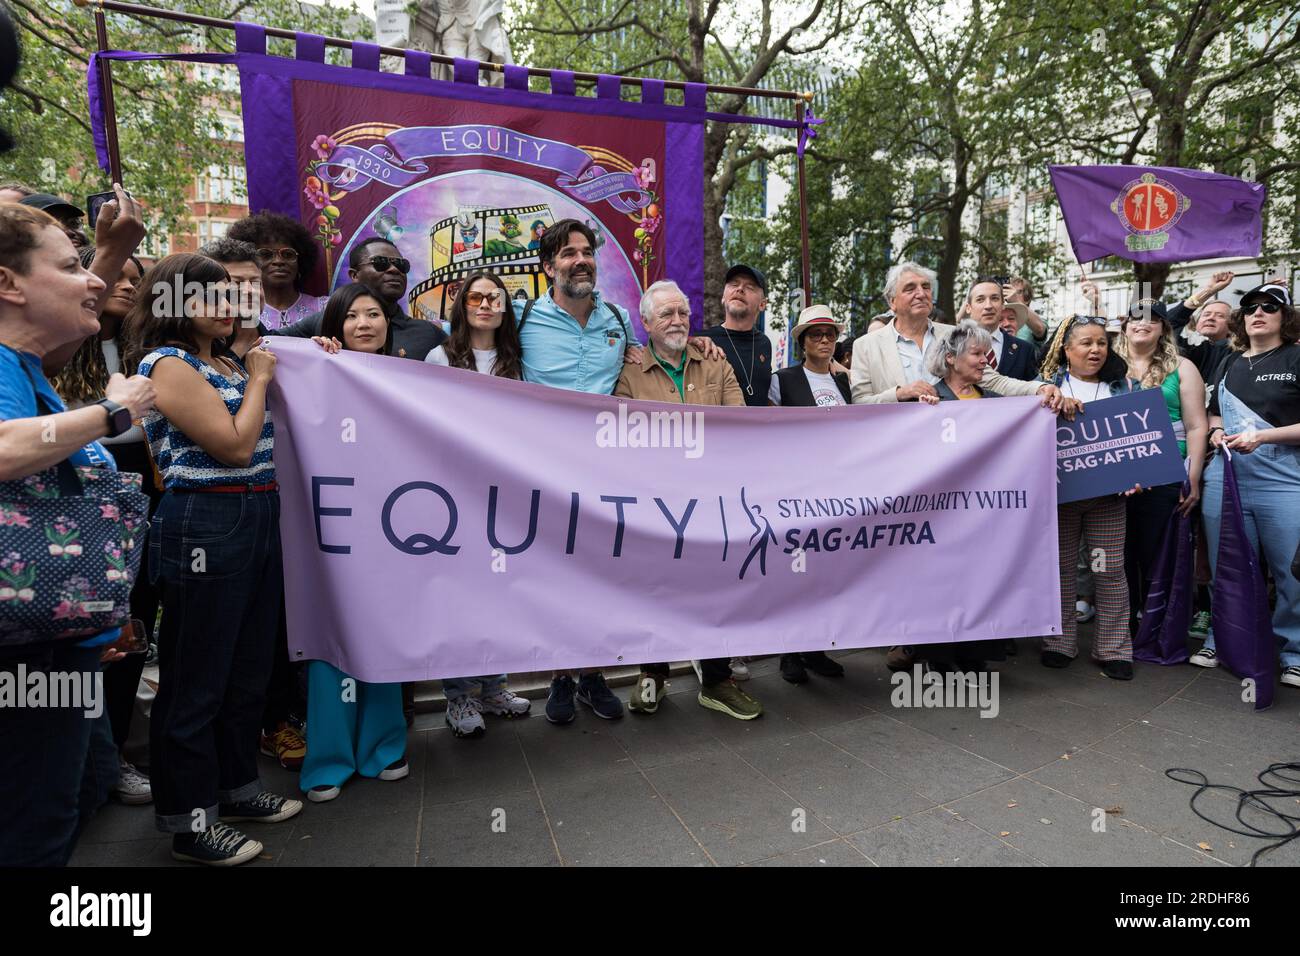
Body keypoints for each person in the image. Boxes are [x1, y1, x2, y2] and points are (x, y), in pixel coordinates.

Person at [123, 254, 302, 865]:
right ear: (171, 303)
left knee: (248, 666)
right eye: (211, 297)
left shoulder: (225, 360)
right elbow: (233, 444)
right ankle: (191, 823)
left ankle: (237, 787)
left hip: (256, 513)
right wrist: (257, 380)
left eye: (232, 295)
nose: (229, 307)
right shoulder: (166, 365)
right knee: (196, 678)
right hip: (206, 518)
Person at [0, 203, 156, 865]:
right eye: (71, 267)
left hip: (53, 641)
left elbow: (68, 327)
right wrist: (114, 410)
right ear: (8, 284)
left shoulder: (25, 365)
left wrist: (107, 253)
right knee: (35, 826)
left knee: (77, 795)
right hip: (25, 656)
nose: (94, 280)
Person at [615, 281, 762, 719]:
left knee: (715, 587)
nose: (677, 321)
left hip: (712, 499)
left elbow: (739, 427)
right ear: (645, 324)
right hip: (656, 504)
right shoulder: (630, 373)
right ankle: (654, 674)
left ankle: (716, 679)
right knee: (654, 587)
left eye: (682, 313)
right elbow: (622, 436)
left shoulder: (716, 365)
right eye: (666, 315)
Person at [299, 283, 417, 797]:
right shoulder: (312, 368)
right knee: (329, 636)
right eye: (352, 316)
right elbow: (258, 354)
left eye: (374, 314)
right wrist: (309, 355)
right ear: (335, 325)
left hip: (391, 523)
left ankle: (384, 747)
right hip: (329, 526)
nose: (364, 323)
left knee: (384, 631)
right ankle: (328, 758)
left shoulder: (412, 380)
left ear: (389, 324)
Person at [50, 246, 157, 807]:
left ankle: (115, 748)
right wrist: (116, 412)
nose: (125, 286)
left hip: (142, 499)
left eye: (137, 280)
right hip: (84, 507)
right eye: (116, 275)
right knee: (89, 637)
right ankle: (101, 761)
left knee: (130, 630)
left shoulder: (144, 351)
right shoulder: (60, 352)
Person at [517, 218, 633, 723]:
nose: (580, 260)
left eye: (587, 251)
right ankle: (560, 677)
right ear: (548, 266)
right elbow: (459, 356)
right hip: (542, 469)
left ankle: (594, 675)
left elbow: (651, 367)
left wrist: (703, 346)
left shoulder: (620, 319)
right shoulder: (519, 319)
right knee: (554, 575)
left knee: (601, 575)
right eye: (567, 253)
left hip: (606, 472)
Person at [423, 272, 533, 736]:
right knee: (460, 593)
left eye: (495, 297)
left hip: (505, 492)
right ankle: (459, 697)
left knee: (498, 590)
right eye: (476, 297)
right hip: (457, 491)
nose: (486, 304)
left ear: (506, 307)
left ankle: (493, 686)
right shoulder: (440, 356)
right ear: (462, 305)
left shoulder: (517, 358)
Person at [1193, 284, 1300, 687]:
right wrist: (1217, 433)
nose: (1258, 313)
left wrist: (1264, 437)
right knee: (1229, 565)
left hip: (1284, 475)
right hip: (1228, 471)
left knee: (1290, 572)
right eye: (1250, 307)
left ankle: (1293, 651)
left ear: (1284, 317)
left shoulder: (1297, 357)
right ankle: (1221, 639)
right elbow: (1215, 415)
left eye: (1269, 307)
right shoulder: (1228, 362)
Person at [1038, 315, 1142, 680]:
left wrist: (1137, 476)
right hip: (1060, 496)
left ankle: (1113, 648)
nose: (1096, 349)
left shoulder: (1123, 387)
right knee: (1061, 568)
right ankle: (1059, 642)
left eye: (1101, 342)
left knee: (1108, 570)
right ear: (1067, 350)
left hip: (1109, 498)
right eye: (1086, 342)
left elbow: (1138, 440)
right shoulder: (1045, 387)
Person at [767, 304, 854, 684]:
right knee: (795, 569)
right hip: (797, 489)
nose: (824, 340)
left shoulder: (845, 383)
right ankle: (790, 652)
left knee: (825, 572)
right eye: (815, 334)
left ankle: (815, 648)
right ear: (802, 341)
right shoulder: (783, 380)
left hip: (837, 491)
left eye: (830, 334)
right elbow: (769, 430)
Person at [1115, 300, 1208, 633]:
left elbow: (1197, 425)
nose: (1143, 324)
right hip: (1115, 472)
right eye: (1135, 318)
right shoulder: (1107, 365)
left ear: (1164, 328)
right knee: (1117, 554)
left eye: (1152, 319)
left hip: (1166, 472)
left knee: (1156, 551)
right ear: (1125, 325)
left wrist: (1193, 476)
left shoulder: (1183, 367)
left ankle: (1156, 623)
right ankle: (1121, 624)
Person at [273, 237, 448, 360]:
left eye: (401, 265)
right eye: (381, 263)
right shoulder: (323, 322)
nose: (394, 270)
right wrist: (310, 351)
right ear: (354, 275)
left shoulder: (428, 333)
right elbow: (259, 343)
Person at [226, 212, 326, 331]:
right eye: (265, 254)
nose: (279, 261)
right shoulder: (232, 310)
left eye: (288, 254)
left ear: (301, 261)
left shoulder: (326, 307)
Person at [701, 264, 772, 407]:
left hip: (760, 428)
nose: (739, 289)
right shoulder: (703, 342)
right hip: (720, 428)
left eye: (750, 287)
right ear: (723, 297)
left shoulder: (764, 343)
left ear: (762, 304)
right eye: (734, 284)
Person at [198, 237, 265, 358]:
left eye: (256, 282)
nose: (250, 290)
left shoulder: (287, 343)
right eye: (236, 283)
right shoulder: (187, 356)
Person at [966, 277, 1039, 381]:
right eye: (980, 300)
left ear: (1002, 305)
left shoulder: (1025, 350)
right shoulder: (955, 345)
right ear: (968, 308)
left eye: (994, 298)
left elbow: (1035, 393)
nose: (988, 306)